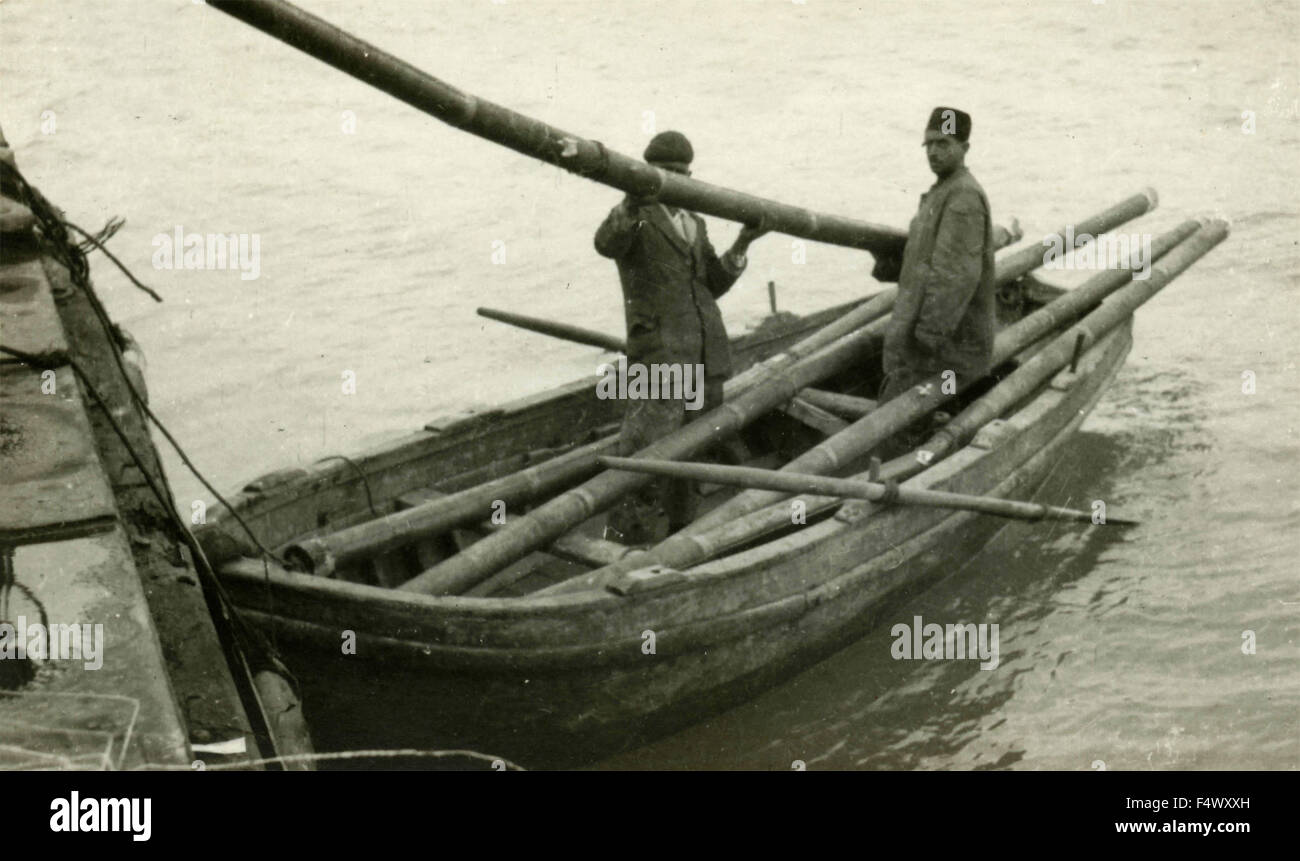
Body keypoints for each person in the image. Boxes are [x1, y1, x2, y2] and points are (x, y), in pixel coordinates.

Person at [594, 130, 769, 544]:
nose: (676, 181)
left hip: (706, 356)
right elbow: (605, 243)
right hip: (659, 357)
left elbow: (712, 283)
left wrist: (743, 242)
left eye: (682, 174)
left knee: (692, 453)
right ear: (649, 173)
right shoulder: (635, 216)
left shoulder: (696, 222)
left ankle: (681, 531)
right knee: (644, 455)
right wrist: (633, 198)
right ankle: (624, 539)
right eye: (666, 173)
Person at [878, 107, 1006, 452]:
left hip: (944, 347)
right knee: (896, 418)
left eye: (944, 144)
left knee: (891, 423)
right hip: (937, 341)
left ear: (965, 147)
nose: (934, 152)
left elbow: (954, 276)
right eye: (929, 144)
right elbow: (926, 258)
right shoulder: (944, 192)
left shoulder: (962, 197)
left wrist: (926, 338)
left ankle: (897, 472)